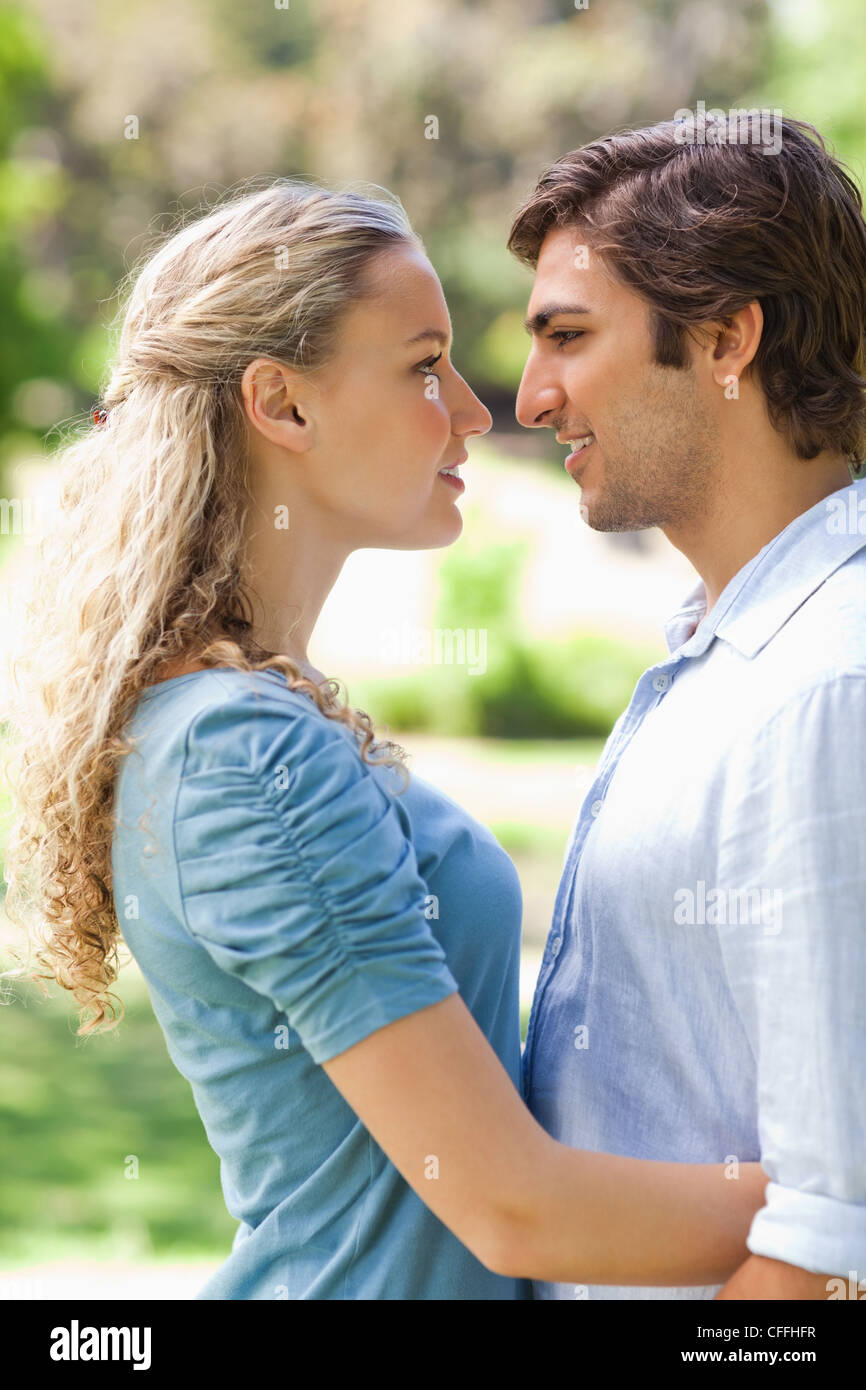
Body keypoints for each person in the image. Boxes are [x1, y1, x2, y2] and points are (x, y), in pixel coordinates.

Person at [2, 179, 767, 1300]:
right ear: (283, 404)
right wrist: (830, 1203)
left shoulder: (251, 709)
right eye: (421, 365)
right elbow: (514, 1207)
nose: (472, 410)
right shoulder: (241, 752)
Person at [508, 113, 866, 1301]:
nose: (529, 396)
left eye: (566, 337)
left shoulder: (825, 680)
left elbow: (826, 1241)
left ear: (724, 338)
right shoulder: (732, 650)